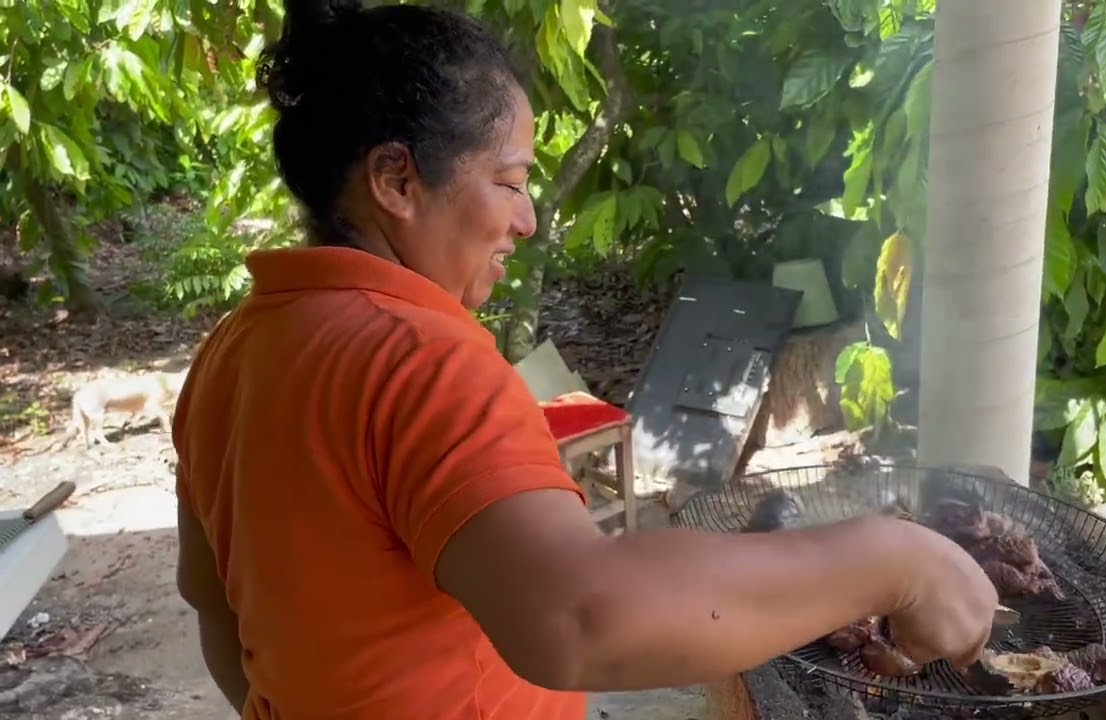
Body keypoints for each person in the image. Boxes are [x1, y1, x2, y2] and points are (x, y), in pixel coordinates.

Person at [171, 2, 999, 719]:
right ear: (395, 179)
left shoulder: (237, 349)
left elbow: (215, 610)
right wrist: (898, 559)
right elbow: (579, 616)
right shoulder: (419, 358)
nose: (526, 220)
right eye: (509, 181)